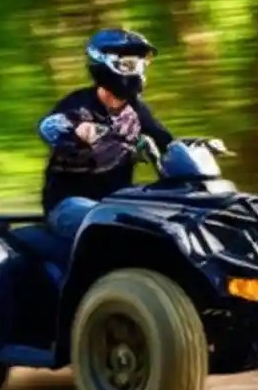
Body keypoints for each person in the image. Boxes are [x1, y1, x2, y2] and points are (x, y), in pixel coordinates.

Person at [36, 28, 174, 242]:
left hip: (116, 203)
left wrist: (193, 149)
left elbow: (166, 142)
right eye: (129, 65)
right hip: (68, 205)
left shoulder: (136, 111)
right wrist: (75, 132)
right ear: (103, 65)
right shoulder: (78, 106)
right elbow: (49, 126)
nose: (137, 72)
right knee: (111, 220)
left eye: (140, 64)